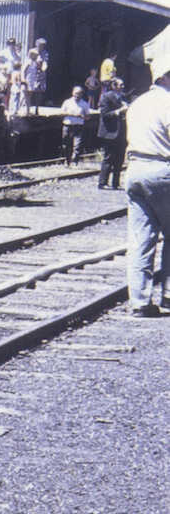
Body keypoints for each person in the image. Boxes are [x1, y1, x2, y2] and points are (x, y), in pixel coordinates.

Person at [124, 34, 170, 318]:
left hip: (135, 169)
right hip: (162, 171)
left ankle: (139, 301)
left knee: (141, 238)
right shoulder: (167, 103)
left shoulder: (138, 103)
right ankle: (168, 295)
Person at [97, 77, 127, 190]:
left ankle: (116, 182)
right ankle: (102, 182)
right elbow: (105, 114)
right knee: (108, 158)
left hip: (121, 133)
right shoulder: (106, 97)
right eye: (120, 85)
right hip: (110, 132)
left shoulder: (123, 97)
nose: (122, 87)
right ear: (113, 86)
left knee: (119, 159)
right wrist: (119, 111)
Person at [60, 86, 89, 165]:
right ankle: (67, 159)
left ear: (81, 94)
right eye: (75, 93)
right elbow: (61, 113)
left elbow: (88, 116)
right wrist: (70, 114)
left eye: (79, 94)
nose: (77, 95)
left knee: (77, 145)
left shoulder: (84, 104)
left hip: (78, 126)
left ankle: (75, 161)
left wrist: (82, 116)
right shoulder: (67, 102)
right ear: (72, 93)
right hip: (68, 125)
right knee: (66, 144)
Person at [23, 38, 47, 109]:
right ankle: (28, 107)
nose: (39, 46)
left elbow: (45, 63)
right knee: (29, 91)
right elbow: (28, 60)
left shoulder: (45, 53)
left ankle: (37, 107)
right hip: (31, 72)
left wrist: (42, 69)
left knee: (38, 92)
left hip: (40, 73)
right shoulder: (32, 51)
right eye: (38, 44)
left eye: (41, 45)